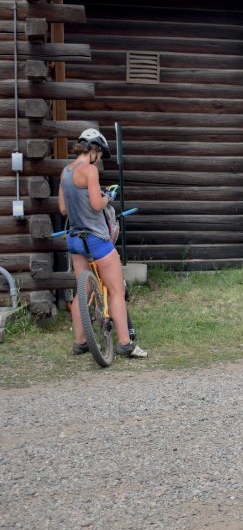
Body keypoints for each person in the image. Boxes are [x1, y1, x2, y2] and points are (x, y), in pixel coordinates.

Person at [57, 129, 147, 359]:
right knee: (116, 290)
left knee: (81, 291)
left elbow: (64, 209)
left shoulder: (65, 172)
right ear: (94, 150)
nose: (100, 160)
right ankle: (125, 343)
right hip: (96, 238)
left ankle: (80, 342)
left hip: (75, 239)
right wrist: (110, 196)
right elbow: (97, 204)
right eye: (100, 154)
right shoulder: (89, 170)